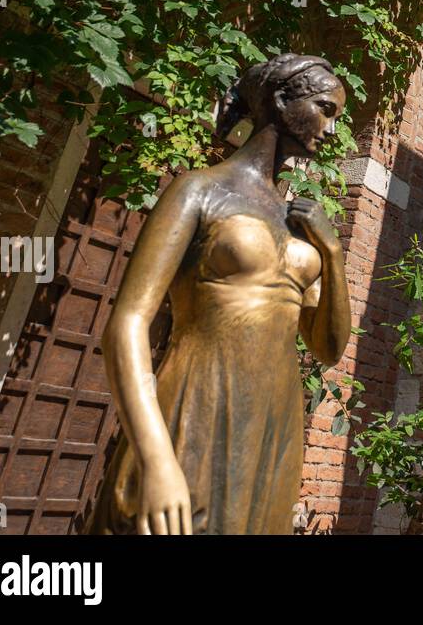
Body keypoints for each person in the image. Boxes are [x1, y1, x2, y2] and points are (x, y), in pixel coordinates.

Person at [87, 54, 351, 534]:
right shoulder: (199, 191)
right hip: (198, 399)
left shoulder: (300, 224)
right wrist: (156, 458)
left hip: (275, 418)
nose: (331, 130)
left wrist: (331, 252)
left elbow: (327, 348)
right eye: (325, 109)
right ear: (281, 100)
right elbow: (126, 323)